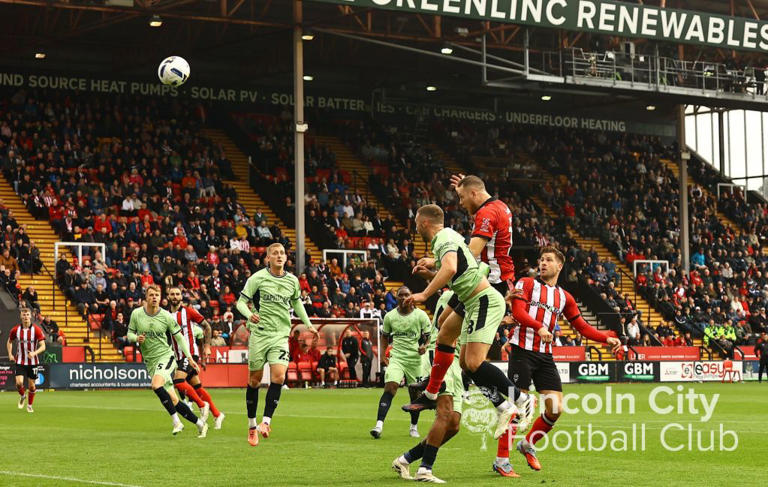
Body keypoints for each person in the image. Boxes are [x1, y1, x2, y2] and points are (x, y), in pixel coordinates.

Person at [403, 204, 533, 440]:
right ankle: (433, 392)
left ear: (423, 222)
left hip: (482, 300)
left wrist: (424, 294)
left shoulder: (443, 237)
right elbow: (457, 272)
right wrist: (432, 272)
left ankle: (522, 399)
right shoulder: (447, 238)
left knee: (472, 362)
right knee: (446, 338)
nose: (415, 227)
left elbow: (451, 268)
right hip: (470, 300)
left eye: (415, 223)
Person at [499, 247, 620, 472]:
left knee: (555, 408)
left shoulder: (564, 297)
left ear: (559, 266)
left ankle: (527, 444)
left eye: (548, 260)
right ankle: (502, 461)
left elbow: (581, 326)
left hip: (545, 356)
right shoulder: (525, 283)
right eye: (541, 260)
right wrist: (539, 326)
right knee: (517, 407)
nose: (543, 263)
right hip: (521, 351)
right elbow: (518, 312)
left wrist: (606, 338)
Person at [237, 243, 319, 447]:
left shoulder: (292, 281)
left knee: (279, 376)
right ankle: (251, 425)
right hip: (260, 334)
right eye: (275, 253)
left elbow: (297, 303)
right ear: (268, 258)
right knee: (254, 381)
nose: (279, 256)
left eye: (282, 253)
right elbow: (240, 303)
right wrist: (249, 314)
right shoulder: (257, 278)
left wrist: (308, 324)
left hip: (280, 335)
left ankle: (266, 422)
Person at [390, 293, 465, 483]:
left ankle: (404, 460)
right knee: (445, 414)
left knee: (454, 425)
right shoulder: (459, 292)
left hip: (455, 361)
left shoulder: (466, 292)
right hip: (440, 353)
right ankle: (425, 469)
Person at [126, 285, 208, 437]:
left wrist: (189, 357)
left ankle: (176, 422)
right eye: (151, 295)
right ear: (146, 298)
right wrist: (136, 338)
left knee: (156, 385)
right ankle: (200, 424)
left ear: (160, 297)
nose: (154, 297)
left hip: (166, 356)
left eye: (157, 295)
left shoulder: (166, 316)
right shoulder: (136, 314)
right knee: (174, 400)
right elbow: (129, 333)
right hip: (150, 361)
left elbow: (179, 337)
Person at [371, 286, 431, 439]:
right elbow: (384, 336)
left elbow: (428, 336)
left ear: (412, 297)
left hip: (415, 359)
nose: (404, 298)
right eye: (401, 296)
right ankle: (378, 426)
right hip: (397, 357)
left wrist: (424, 346)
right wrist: (384, 354)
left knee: (415, 395)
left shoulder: (421, 315)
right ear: (396, 298)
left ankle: (413, 427)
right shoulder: (390, 316)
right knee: (390, 387)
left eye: (407, 295)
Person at [166, 286, 225, 430]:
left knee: (178, 382)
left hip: (190, 354)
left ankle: (201, 405)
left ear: (181, 297)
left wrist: (207, 347)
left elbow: (207, 327)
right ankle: (217, 414)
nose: (175, 296)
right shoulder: (165, 315)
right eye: (172, 294)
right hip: (178, 356)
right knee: (197, 387)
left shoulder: (188, 312)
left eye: (177, 294)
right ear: (168, 297)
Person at [6, 308, 45, 413]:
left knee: (32, 386)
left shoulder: (36, 330)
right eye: (24, 315)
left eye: (27, 314)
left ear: (30, 316)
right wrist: (10, 354)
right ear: (21, 316)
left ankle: (29, 405)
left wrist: (34, 353)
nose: (25, 316)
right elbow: (9, 341)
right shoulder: (16, 330)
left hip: (33, 363)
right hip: (20, 361)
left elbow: (43, 346)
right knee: (19, 383)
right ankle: (23, 396)